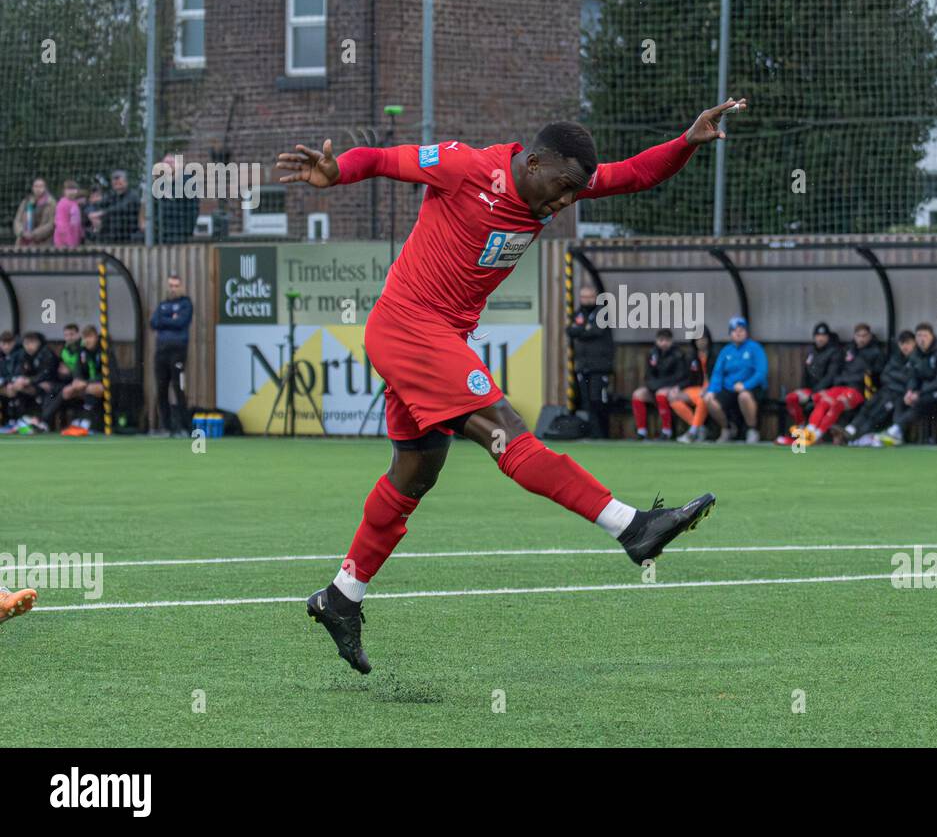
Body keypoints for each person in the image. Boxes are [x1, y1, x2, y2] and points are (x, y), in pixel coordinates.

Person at [275, 97, 744, 673]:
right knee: (507, 431)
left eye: (577, 190)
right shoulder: (463, 166)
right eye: (565, 186)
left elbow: (634, 175)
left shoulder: (556, 183)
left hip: (438, 336)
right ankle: (632, 526)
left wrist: (686, 140)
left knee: (414, 474)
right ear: (537, 161)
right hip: (409, 326)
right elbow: (381, 158)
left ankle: (342, 595)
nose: (569, 200)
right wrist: (335, 170)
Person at [795, 323, 885, 446]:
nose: (861, 339)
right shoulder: (848, 350)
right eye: (859, 335)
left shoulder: (876, 352)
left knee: (837, 404)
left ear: (870, 336)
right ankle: (810, 430)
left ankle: (817, 435)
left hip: (858, 389)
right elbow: (838, 370)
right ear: (854, 336)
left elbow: (875, 375)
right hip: (841, 386)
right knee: (823, 401)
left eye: (864, 336)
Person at [877, 322, 937, 446]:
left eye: (925, 336)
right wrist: (910, 391)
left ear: (932, 336)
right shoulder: (915, 355)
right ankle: (898, 434)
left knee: (921, 401)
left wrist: (919, 393)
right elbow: (913, 377)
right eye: (919, 336)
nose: (922, 339)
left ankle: (895, 429)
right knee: (900, 399)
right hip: (922, 392)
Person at [704, 315, 768, 444]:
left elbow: (761, 372)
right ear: (730, 333)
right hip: (729, 388)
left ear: (746, 332)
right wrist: (712, 390)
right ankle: (727, 429)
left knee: (744, 396)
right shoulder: (726, 351)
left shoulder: (755, 348)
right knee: (709, 400)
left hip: (752, 387)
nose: (738, 333)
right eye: (735, 331)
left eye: (741, 330)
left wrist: (746, 385)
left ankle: (752, 430)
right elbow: (718, 373)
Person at [846, 330, 916, 446]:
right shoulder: (896, 357)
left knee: (878, 412)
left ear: (914, 343)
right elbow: (885, 375)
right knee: (869, 405)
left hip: (899, 395)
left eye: (908, 343)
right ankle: (851, 429)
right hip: (887, 390)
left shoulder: (916, 359)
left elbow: (909, 380)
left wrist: (895, 379)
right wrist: (898, 379)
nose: (905, 347)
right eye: (902, 343)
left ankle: (857, 437)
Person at [566, 284, 614, 438]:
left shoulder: (602, 313)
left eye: (589, 297)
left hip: (599, 366)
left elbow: (595, 331)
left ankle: (602, 435)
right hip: (582, 365)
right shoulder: (578, 313)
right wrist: (584, 329)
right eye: (583, 297)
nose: (586, 300)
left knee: (597, 400)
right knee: (586, 401)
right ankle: (593, 434)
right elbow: (570, 330)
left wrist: (582, 330)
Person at [780, 322, 841, 440]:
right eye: (818, 335)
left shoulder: (835, 352)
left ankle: (814, 433)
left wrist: (815, 392)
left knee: (820, 401)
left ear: (828, 337)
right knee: (791, 398)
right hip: (811, 390)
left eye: (823, 335)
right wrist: (803, 390)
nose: (820, 338)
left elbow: (830, 376)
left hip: (827, 391)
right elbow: (806, 375)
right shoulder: (812, 352)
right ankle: (801, 425)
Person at [149, 273, 193, 437]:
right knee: (161, 389)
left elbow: (181, 322)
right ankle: (167, 427)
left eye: (176, 285)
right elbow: (153, 322)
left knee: (178, 388)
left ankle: (184, 427)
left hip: (178, 351)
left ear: (181, 287)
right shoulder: (163, 304)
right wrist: (170, 319)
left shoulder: (186, 304)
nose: (173, 289)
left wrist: (165, 320)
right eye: (171, 286)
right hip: (161, 351)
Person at [631, 329, 687, 440]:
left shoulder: (678, 354)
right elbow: (648, 376)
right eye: (661, 340)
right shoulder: (653, 354)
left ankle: (667, 431)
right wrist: (653, 386)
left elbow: (680, 377)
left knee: (661, 394)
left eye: (667, 340)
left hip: (671, 388)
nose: (664, 343)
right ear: (657, 341)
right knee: (637, 395)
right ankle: (641, 432)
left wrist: (662, 386)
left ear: (671, 341)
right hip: (655, 387)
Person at [669, 326, 715, 443]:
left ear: (708, 339)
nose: (701, 342)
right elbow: (687, 378)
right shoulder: (691, 357)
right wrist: (677, 388)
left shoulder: (715, 355)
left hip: (712, 388)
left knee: (702, 398)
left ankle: (693, 431)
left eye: (703, 339)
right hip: (695, 388)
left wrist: (709, 387)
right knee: (674, 399)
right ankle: (700, 428)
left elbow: (718, 376)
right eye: (698, 339)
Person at [101, 169, 141, 243]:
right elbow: (99, 206)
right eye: (114, 180)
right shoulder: (110, 196)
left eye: (119, 179)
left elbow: (122, 207)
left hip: (129, 237)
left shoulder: (133, 195)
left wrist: (103, 212)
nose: (117, 182)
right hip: (111, 237)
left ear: (126, 182)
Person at [12, 177, 54, 246]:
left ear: (45, 188)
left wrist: (34, 234)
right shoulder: (26, 201)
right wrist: (21, 232)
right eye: (36, 186)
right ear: (32, 188)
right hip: (23, 242)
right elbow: (17, 220)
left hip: (43, 244)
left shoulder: (51, 203)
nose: (38, 189)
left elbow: (51, 224)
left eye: (41, 186)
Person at [53, 179, 84, 248]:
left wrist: (81, 234)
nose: (72, 192)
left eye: (73, 189)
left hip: (74, 240)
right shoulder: (62, 204)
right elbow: (61, 224)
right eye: (69, 189)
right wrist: (68, 241)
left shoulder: (74, 203)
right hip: (64, 242)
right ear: (64, 191)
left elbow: (77, 222)